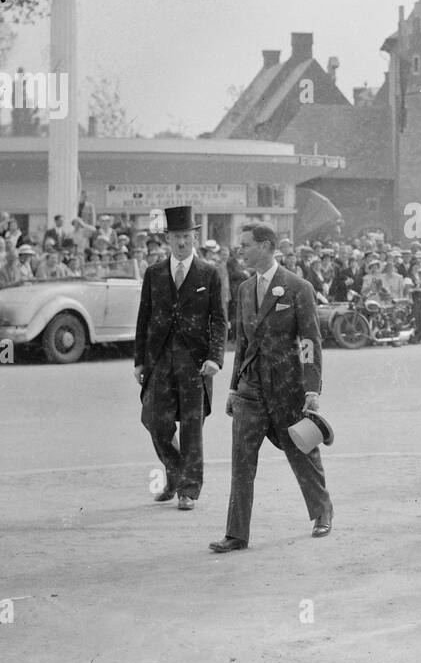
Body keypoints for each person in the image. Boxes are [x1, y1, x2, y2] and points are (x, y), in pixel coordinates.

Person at [211, 223, 331, 552]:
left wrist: (311, 388)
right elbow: (244, 344)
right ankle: (236, 534)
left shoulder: (297, 287)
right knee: (242, 460)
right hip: (251, 389)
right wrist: (234, 389)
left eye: (246, 244)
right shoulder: (245, 289)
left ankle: (322, 511)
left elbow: (309, 340)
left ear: (266, 246)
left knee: (301, 450)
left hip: (287, 387)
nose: (241, 250)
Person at [133, 205, 226, 513]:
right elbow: (143, 318)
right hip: (160, 358)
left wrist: (215, 358)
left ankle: (188, 490)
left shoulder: (209, 273)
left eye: (186, 236)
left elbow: (219, 320)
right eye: (176, 237)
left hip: (195, 361)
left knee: (191, 427)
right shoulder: (154, 273)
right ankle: (175, 473)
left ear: (194, 238)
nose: (182, 243)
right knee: (153, 419)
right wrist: (139, 361)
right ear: (167, 240)